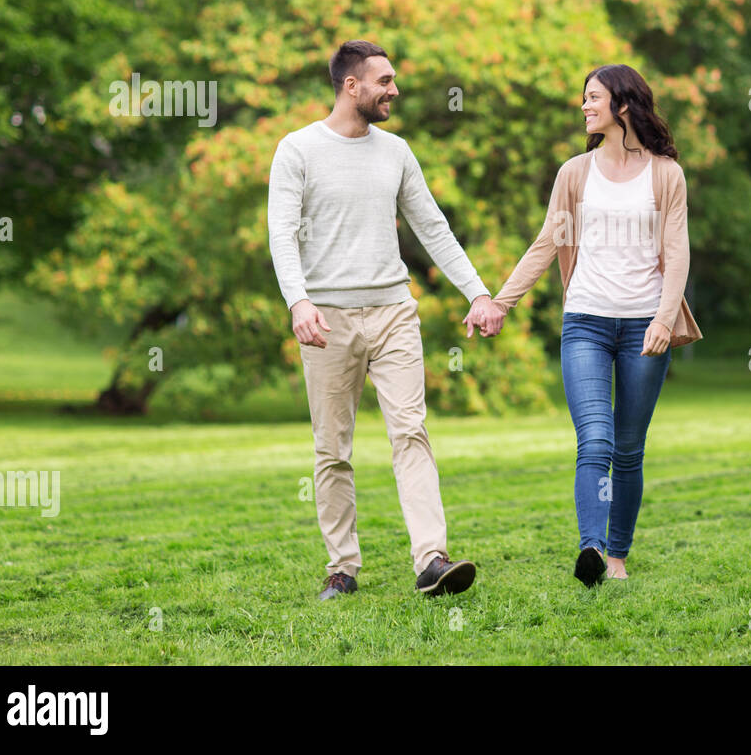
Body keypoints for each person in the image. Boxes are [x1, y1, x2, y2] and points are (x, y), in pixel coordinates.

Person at [266, 39, 505, 600]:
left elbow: (433, 227)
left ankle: (431, 560)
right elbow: (281, 232)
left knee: (411, 432)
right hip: (327, 318)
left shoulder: (396, 151)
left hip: (395, 311)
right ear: (352, 86)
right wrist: (298, 301)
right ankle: (342, 569)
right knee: (333, 448)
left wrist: (479, 293)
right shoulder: (297, 150)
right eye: (384, 81)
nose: (393, 91)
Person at [488, 63, 702, 587]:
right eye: (583, 98)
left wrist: (664, 317)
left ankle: (618, 556)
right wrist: (501, 302)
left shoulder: (666, 174)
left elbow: (677, 255)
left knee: (629, 449)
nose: (584, 106)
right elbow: (547, 243)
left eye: (592, 97)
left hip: (644, 326)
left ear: (622, 105)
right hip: (585, 320)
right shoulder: (575, 174)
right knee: (595, 439)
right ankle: (591, 547)